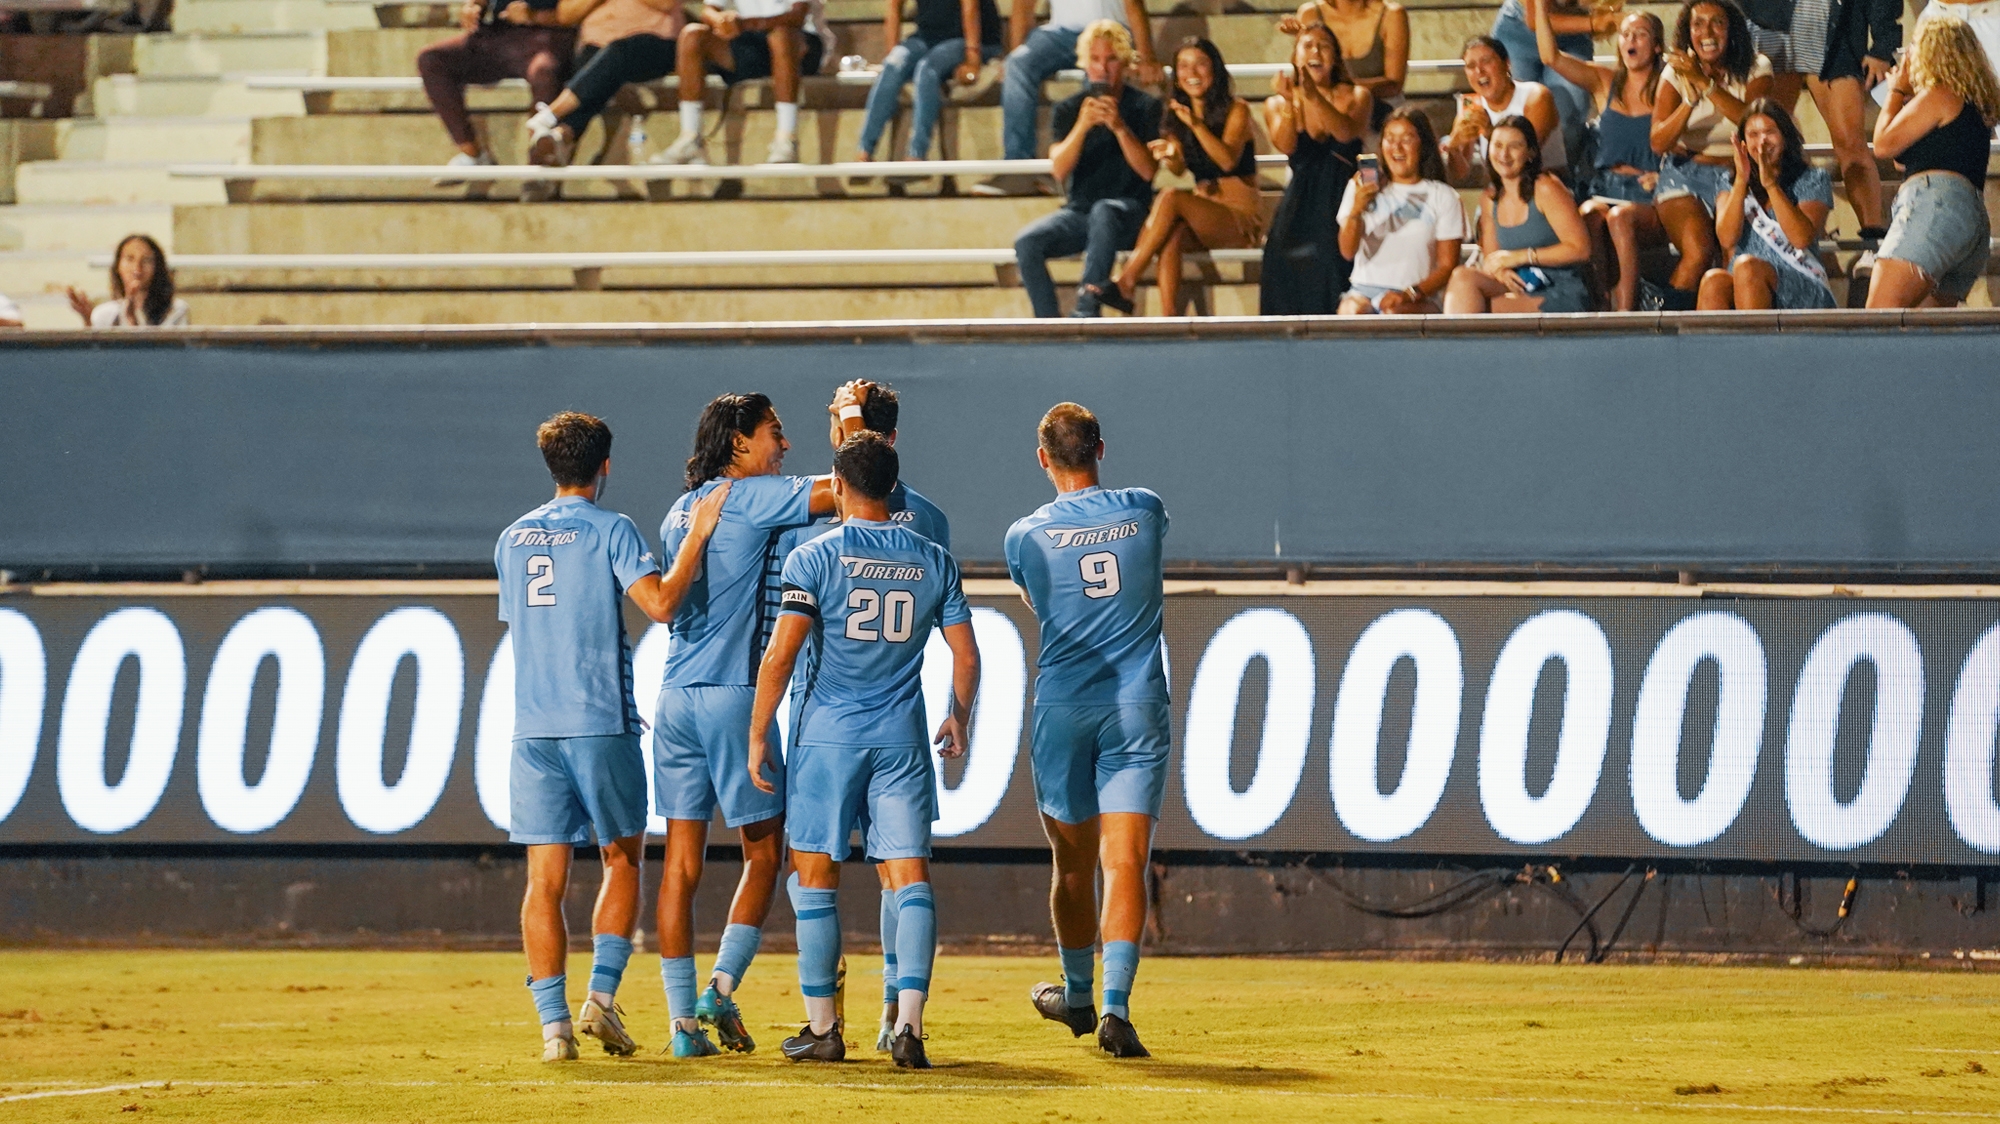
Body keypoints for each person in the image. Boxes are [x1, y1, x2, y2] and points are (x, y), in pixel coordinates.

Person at [496, 412, 729, 1062]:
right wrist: (698, 539)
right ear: (605, 466)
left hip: (533, 729)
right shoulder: (612, 529)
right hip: (600, 722)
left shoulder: (511, 539)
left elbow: (528, 627)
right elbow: (659, 604)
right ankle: (600, 1000)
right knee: (621, 859)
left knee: (542, 880)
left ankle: (553, 1033)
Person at [750, 432, 980, 1070]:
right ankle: (908, 1026)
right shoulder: (934, 559)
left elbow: (782, 653)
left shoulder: (814, 557)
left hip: (827, 737)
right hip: (901, 738)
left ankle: (824, 1028)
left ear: (839, 484)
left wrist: (757, 730)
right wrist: (957, 717)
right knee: (909, 879)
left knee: (815, 878)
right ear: (892, 483)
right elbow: (965, 653)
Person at [652, 391, 840, 1058]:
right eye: (774, 434)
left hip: (673, 695)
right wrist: (850, 426)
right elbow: (849, 489)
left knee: (680, 864)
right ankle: (722, 990)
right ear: (738, 442)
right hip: (733, 696)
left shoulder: (681, 510)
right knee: (765, 853)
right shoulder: (750, 496)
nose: (783, 447)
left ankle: (682, 1030)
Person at [1007, 402, 1169, 1061]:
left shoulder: (1025, 534)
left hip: (1064, 708)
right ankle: (1116, 1009)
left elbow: (1040, 603)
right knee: (1124, 860)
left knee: (1072, 865)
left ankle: (1077, 994)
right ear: (1102, 446)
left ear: (1043, 459)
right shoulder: (1146, 508)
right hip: (1135, 707)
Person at [1091, 37, 1258, 316]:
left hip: (1239, 218)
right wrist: (1171, 155)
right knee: (1171, 233)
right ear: (1176, 77)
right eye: (1183, 66)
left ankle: (1126, 280)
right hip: (1203, 215)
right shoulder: (1176, 115)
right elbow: (1180, 169)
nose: (1192, 73)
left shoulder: (1236, 110)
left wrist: (1195, 124)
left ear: (1215, 70)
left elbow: (1227, 160)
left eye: (1200, 64)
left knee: (1170, 196)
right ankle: (1169, 317)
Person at [1010, 20, 1162, 318]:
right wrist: (1082, 127)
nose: (1102, 68)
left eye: (1111, 59)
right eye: (1095, 60)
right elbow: (1059, 170)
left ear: (1125, 63)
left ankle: (1087, 308)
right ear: (1084, 63)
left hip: (1129, 212)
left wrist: (1120, 128)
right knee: (1027, 242)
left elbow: (1148, 172)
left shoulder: (1145, 106)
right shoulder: (1069, 109)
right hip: (1081, 211)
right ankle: (1049, 322)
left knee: (1104, 211)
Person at [1533, 0, 1667, 310]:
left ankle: (1626, 313)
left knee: (1620, 218)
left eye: (1640, 34)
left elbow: (1686, 143)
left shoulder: (1668, 88)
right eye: (1624, 33)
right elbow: (1549, 56)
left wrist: (1666, 175)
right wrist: (1539, 5)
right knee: (1589, 214)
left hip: (1648, 192)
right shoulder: (1605, 81)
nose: (1630, 40)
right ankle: (1599, 306)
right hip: (1605, 186)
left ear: (1657, 46)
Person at [1868, 16, 2000, 308]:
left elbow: (1882, 145)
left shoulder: (1939, 94)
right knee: (1926, 336)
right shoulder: (1972, 103)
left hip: (1934, 207)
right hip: (1970, 223)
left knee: (1877, 320)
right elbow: (1904, 162)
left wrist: (1896, 91)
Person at [1650, 0, 1773, 305]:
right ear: (1687, 32)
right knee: (1698, 253)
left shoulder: (1757, 67)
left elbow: (1753, 124)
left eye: (1717, 22)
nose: (1707, 32)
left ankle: (1733, 336)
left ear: (1731, 29)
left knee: (1736, 257)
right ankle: (1664, 331)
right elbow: (1657, 141)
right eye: (1698, 24)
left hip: (1738, 174)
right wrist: (1688, 102)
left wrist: (1706, 85)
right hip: (1684, 172)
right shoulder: (1675, 73)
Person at [974, 0, 1160, 196]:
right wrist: (1014, 52)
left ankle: (1086, 174)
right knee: (1017, 65)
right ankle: (1018, 169)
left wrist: (1146, 57)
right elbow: (1023, 5)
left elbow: (1133, 5)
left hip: (1110, 31)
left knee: (1098, 80)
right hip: (1060, 34)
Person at [1747, 0, 1898, 240]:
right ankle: (1774, 235)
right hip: (1767, 28)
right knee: (1765, 143)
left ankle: (1872, 239)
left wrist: (1884, 44)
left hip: (1833, 31)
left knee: (1851, 144)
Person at [419, 0, 593, 185]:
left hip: (550, 35)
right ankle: (472, 154)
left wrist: (534, 17)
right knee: (431, 59)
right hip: (499, 31)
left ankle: (539, 165)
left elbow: (579, 11)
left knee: (544, 71)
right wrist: (472, 7)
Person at [1261, 22, 1370, 314]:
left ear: (1335, 57)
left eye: (1323, 45)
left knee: (1330, 263)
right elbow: (1286, 144)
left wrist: (1311, 94)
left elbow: (1345, 132)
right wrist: (1289, 101)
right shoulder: (1276, 102)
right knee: (1280, 261)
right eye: (1307, 45)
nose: (1315, 51)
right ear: (1295, 58)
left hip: (1343, 196)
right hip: (1300, 198)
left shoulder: (1357, 95)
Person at [1445, 114, 1594, 312]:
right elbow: (1493, 259)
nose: (1504, 155)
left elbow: (1581, 249)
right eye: (1497, 145)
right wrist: (1501, 272)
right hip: (1516, 284)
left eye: (1514, 146)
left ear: (1530, 153)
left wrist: (1522, 256)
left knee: (1476, 307)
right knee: (1462, 278)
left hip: (1556, 287)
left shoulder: (1546, 188)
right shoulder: (1490, 199)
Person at [1695, 98, 1835, 308]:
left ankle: (1756, 342)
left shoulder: (1813, 178)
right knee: (1713, 280)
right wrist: (1742, 181)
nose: (1762, 142)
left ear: (1786, 137)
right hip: (1742, 277)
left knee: (1747, 268)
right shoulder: (1729, 182)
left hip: (1799, 280)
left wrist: (1770, 185)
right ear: (1742, 142)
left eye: (1770, 132)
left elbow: (1801, 239)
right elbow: (1726, 238)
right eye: (1753, 135)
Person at [655, 0, 831, 165]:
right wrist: (721, 20)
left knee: (781, 36)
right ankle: (690, 139)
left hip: (801, 44)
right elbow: (709, 11)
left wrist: (746, 24)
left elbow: (796, 17)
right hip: (750, 40)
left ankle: (787, 138)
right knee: (692, 35)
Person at [522, 0, 686, 172]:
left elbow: (666, 4)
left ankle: (553, 117)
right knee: (596, 71)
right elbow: (566, 14)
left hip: (656, 44)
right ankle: (561, 135)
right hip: (597, 46)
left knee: (616, 54)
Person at [851, 0, 1004, 174]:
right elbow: (894, 8)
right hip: (928, 37)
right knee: (893, 65)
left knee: (927, 69)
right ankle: (864, 151)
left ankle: (917, 154)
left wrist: (973, 58)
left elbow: (970, 7)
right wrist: (893, 52)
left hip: (971, 37)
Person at [1336, 106, 1463, 314]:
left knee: (1393, 314)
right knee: (1351, 311)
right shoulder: (1360, 187)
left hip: (1417, 295)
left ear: (1422, 144)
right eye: (1390, 138)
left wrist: (1409, 294)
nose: (1397, 147)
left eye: (1406, 139)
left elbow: (1447, 266)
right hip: (1362, 292)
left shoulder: (1443, 196)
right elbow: (1347, 252)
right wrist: (1357, 210)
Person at [1445, 36, 1568, 183]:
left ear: (1507, 64)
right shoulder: (1472, 107)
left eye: (1486, 61)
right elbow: (1459, 173)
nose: (1479, 70)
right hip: (1503, 191)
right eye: (1471, 66)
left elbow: (1525, 157)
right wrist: (1453, 148)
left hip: (1546, 184)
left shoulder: (1536, 97)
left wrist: (1490, 133)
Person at [1278, 0, 1409, 133]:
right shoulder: (1310, 13)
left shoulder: (1392, 14)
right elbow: (1305, 73)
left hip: (1381, 114)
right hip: (1326, 108)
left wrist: (1348, 93)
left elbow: (1394, 84)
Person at [66, 234, 188, 328]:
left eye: (146, 260)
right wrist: (88, 319)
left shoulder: (176, 310)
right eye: (130, 259)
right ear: (118, 267)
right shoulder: (105, 314)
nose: (137, 267)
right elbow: (98, 355)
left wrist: (133, 319)